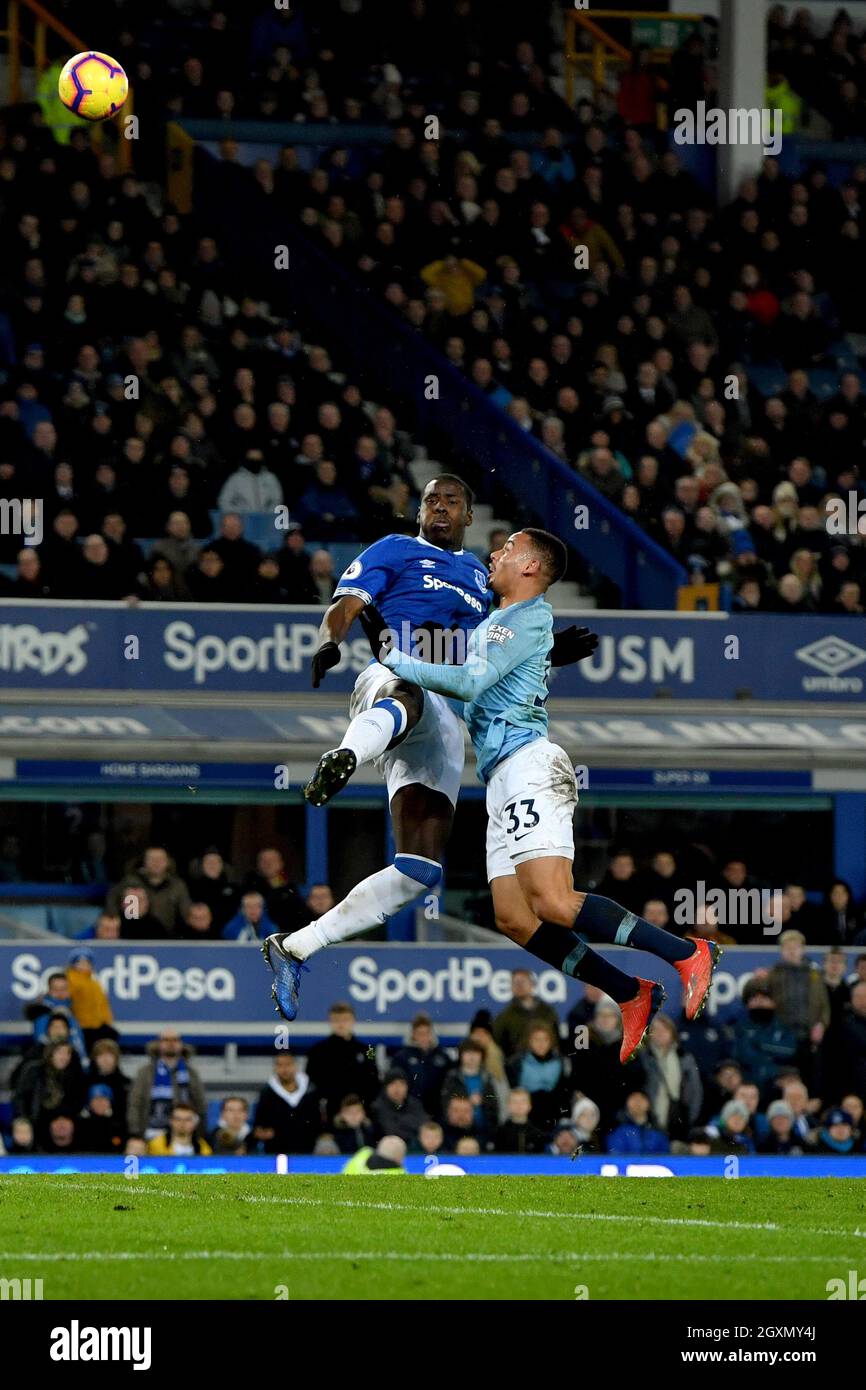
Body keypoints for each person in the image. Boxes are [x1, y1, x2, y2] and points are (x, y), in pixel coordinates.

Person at [356, 528, 720, 1063]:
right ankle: (630, 991)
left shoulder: (525, 618)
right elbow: (488, 676)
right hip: (502, 778)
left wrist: (400, 663)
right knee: (514, 918)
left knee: (553, 901)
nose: (495, 554)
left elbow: (474, 682)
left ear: (529, 565)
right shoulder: (502, 621)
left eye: (506, 549)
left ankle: (689, 952)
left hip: (530, 765)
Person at [263, 479, 591, 1018]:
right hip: (391, 680)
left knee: (420, 869)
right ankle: (346, 755)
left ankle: (296, 947)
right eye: (431, 500)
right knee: (408, 696)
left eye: (452, 501)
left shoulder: (484, 585)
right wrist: (328, 640)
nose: (439, 508)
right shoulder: (395, 549)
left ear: (468, 518)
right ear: (419, 512)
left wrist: (551, 651)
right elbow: (345, 604)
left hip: (445, 722)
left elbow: (493, 658)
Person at [127, 1029, 207, 1142]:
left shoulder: (190, 1073)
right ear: (158, 1044)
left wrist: (199, 1134)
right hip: (151, 1133)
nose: (171, 1043)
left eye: (175, 1040)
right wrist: (135, 1133)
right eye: (166, 1040)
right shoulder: (145, 1072)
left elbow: (200, 1105)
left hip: (183, 1136)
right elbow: (135, 1103)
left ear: (181, 1044)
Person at [305, 1002, 379, 1119]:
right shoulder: (317, 1051)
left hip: (361, 1113)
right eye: (336, 1020)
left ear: (353, 1020)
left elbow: (374, 1082)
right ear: (330, 1021)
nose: (341, 1024)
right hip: (330, 1113)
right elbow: (312, 1084)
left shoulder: (368, 1050)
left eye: (345, 1019)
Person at [252, 1053, 320, 1154]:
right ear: (275, 1068)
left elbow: (317, 1120)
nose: (284, 1069)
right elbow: (259, 1125)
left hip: (308, 1148)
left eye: (288, 1064)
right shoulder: (267, 1093)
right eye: (280, 1065)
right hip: (275, 1150)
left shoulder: (310, 1091)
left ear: (295, 1066)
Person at [389, 1012, 452, 1117]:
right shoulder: (401, 1057)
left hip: (438, 1112)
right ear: (413, 1034)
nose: (424, 1037)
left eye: (426, 1033)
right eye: (420, 1033)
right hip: (410, 1112)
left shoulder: (443, 1057)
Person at [492, 968, 561, 1059]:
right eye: (516, 983)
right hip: (518, 1066)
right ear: (511, 987)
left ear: (532, 984)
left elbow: (556, 1039)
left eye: (523, 982)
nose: (519, 986)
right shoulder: (505, 1016)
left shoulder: (548, 1012)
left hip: (547, 1063)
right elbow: (499, 1043)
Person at [369, 1069, 428, 1146]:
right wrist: (411, 1126)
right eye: (393, 1084)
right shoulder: (378, 1107)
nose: (397, 1088)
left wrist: (401, 1122)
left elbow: (424, 1126)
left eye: (401, 1084)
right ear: (386, 1087)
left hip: (415, 1148)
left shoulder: (414, 1104)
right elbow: (390, 1131)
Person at [606, 1091, 670, 1155]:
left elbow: (665, 1156)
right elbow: (615, 1155)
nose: (637, 1102)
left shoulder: (658, 1131)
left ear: (648, 1104)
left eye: (642, 1098)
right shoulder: (617, 1130)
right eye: (633, 1098)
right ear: (627, 1103)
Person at [147, 1102, 213, 1156]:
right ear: (171, 1121)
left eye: (187, 1120)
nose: (182, 1123)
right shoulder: (156, 1145)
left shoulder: (204, 1148)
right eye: (178, 1119)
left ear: (194, 1123)